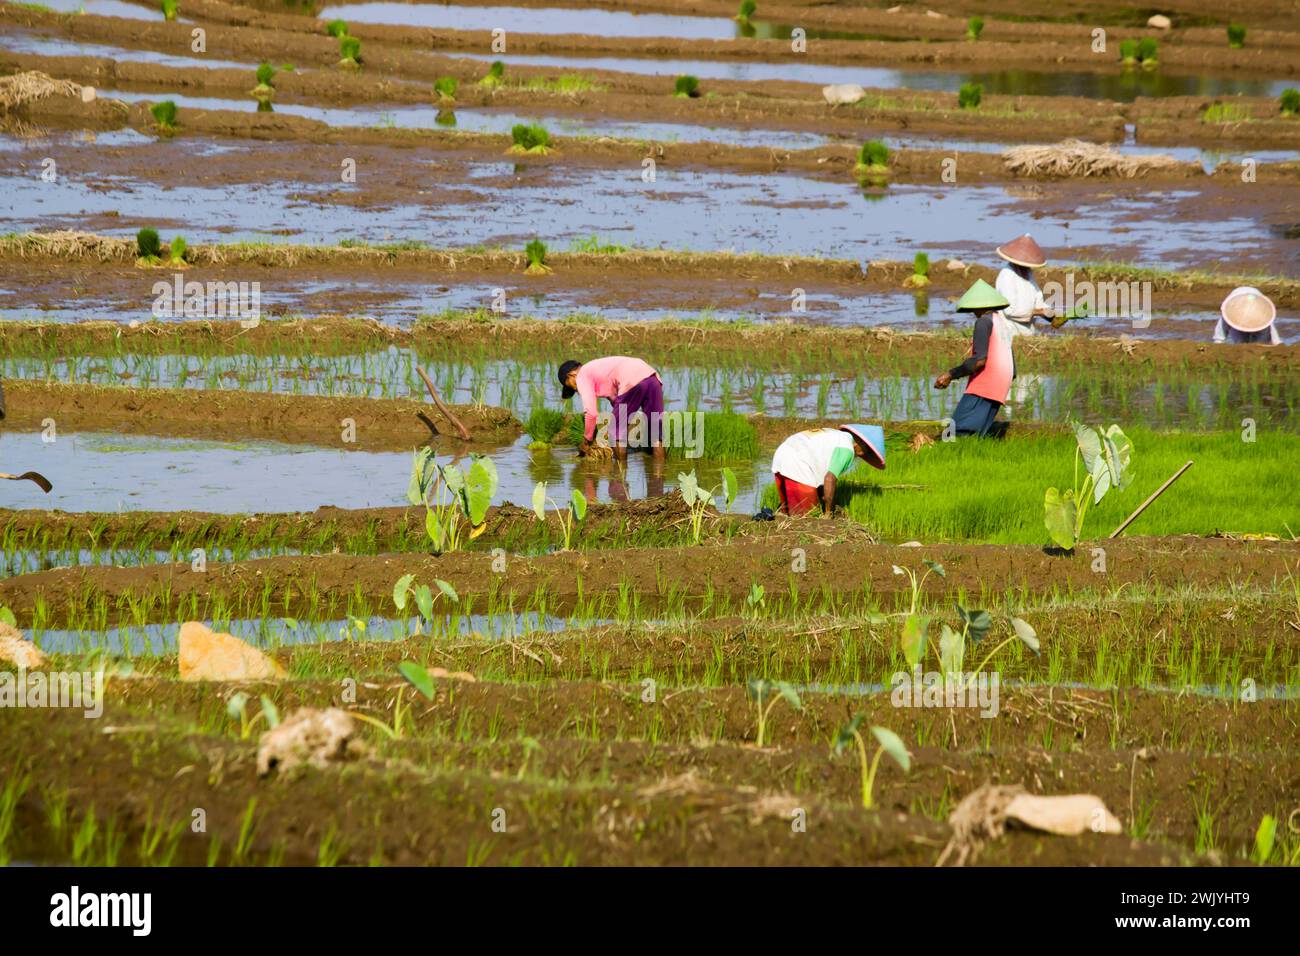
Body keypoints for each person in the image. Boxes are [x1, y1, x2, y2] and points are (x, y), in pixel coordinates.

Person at [934, 279, 1014, 438]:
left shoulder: (983, 322)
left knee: (956, 431)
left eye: (974, 308)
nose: (973, 312)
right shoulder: (1003, 323)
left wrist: (950, 374)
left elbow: (979, 360)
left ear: (981, 305)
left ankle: (951, 455)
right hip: (1002, 384)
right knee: (978, 435)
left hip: (986, 383)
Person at [558, 356, 664, 462]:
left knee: (614, 434)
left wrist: (587, 441)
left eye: (571, 386)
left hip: (630, 380)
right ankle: (659, 474)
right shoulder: (597, 368)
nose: (575, 389)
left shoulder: (582, 376)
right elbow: (616, 399)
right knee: (655, 433)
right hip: (652, 377)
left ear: (571, 375)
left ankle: (620, 474)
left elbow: (591, 413)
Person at [770, 423, 886, 517]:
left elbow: (821, 477)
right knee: (806, 520)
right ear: (861, 444)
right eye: (867, 451)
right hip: (797, 463)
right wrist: (828, 513)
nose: (863, 454)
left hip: (782, 454)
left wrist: (828, 500)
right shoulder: (847, 449)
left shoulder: (837, 435)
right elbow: (829, 479)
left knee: (788, 514)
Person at [994, 233, 1058, 337]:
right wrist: (1037, 312)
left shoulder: (1028, 274)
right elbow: (1010, 310)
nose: (1028, 267)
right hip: (1009, 331)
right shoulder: (1007, 276)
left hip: (1028, 330)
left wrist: (1053, 314)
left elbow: (1038, 300)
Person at [1213, 286, 1283, 345]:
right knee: (1240, 343)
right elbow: (1219, 338)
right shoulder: (1230, 313)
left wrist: (1277, 344)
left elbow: (1275, 339)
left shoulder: (1262, 316)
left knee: (1259, 344)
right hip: (1237, 299)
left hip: (1256, 300)